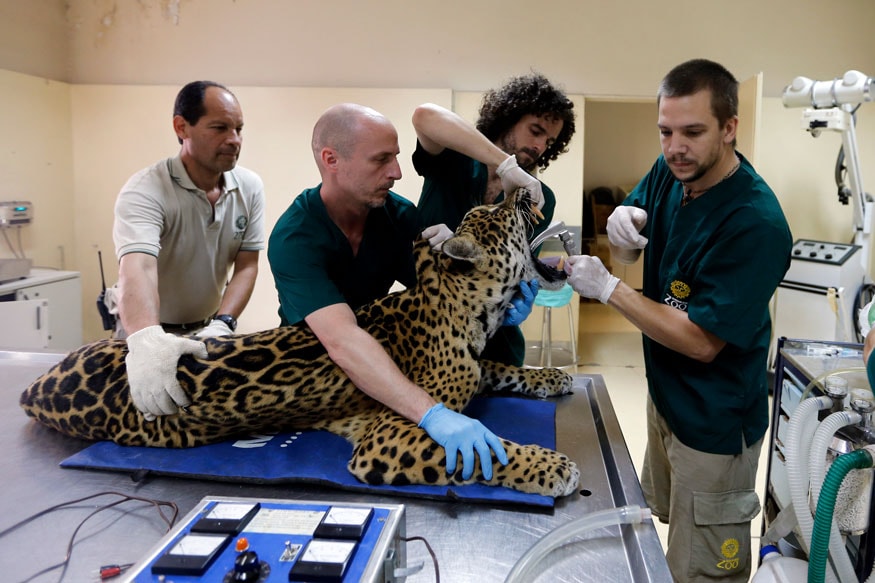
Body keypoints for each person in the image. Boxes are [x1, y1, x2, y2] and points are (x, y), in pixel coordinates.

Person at [563, 59, 792, 582]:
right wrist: (622, 231)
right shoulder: (673, 169)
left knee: (703, 569)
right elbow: (633, 244)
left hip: (714, 422)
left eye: (692, 132)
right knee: (672, 531)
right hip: (666, 399)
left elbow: (700, 342)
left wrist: (608, 288)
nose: (674, 147)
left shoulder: (755, 225)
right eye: (665, 131)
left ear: (729, 127)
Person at [267, 103, 507, 481]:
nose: (396, 173)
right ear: (332, 159)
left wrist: (478, 281)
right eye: (381, 160)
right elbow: (342, 341)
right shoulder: (295, 238)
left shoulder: (397, 217)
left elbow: (440, 297)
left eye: (395, 158)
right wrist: (432, 414)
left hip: (380, 363)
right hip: (312, 373)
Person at [107, 80, 266, 420]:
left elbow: (247, 264)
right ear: (182, 127)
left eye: (239, 129)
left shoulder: (249, 186)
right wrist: (148, 342)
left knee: (201, 422)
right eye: (220, 128)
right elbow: (138, 268)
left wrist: (223, 322)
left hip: (207, 329)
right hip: (147, 331)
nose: (234, 140)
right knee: (145, 422)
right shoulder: (145, 190)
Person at [411, 72, 576, 366]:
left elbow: (516, 270)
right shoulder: (454, 159)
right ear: (507, 118)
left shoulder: (539, 198)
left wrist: (523, 297)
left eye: (549, 141)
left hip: (494, 344)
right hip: (428, 334)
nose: (540, 146)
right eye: (535, 130)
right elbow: (424, 116)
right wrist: (505, 164)